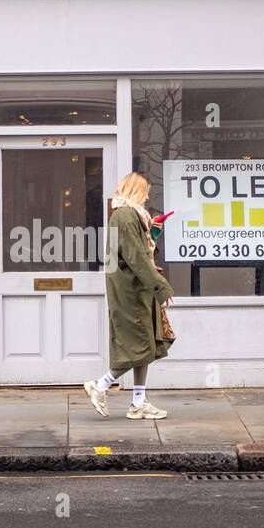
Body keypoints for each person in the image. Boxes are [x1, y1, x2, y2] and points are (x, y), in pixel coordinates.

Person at [84, 172, 174, 420]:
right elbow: (136, 258)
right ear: (135, 191)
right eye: (145, 191)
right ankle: (100, 385)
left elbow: (137, 251)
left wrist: (153, 233)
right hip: (131, 292)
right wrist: (161, 287)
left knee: (144, 345)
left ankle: (138, 402)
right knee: (137, 345)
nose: (147, 197)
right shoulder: (125, 216)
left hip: (136, 290)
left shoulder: (130, 216)